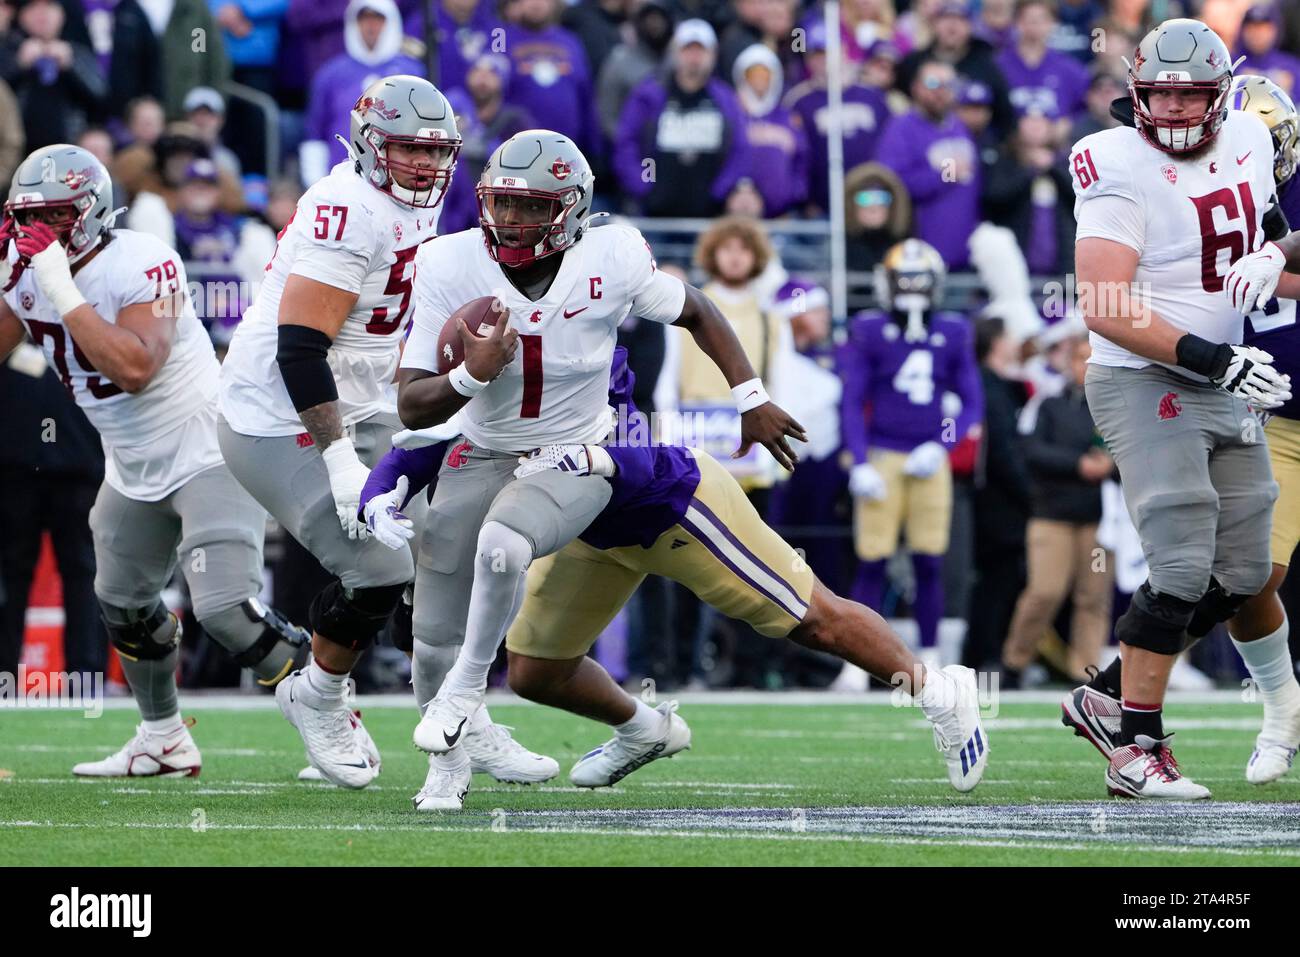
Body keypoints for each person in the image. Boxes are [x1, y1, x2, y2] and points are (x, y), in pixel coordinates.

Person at [366, 348, 990, 799]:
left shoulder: (581, 379)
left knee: (813, 621)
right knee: (534, 670)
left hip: (671, 509)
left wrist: (589, 455)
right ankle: (645, 730)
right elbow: (419, 445)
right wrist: (377, 493)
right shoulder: (491, 390)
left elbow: (636, 454)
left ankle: (939, 693)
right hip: (592, 536)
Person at [394, 129, 806, 809]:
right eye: (502, 202)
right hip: (484, 447)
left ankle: (467, 694)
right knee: (433, 629)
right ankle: (454, 758)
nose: (512, 220)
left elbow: (697, 309)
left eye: (532, 208)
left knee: (504, 546)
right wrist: (470, 374)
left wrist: (750, 396)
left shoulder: (610, 255)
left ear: (572, 209)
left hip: (574, 452)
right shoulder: (448, 261)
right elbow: (411, 404)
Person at [219, 76, 554, 790]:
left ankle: (462, 716)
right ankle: (316, 693)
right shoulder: (348, 207)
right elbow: (300, 350)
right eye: (407, 149)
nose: (426, 167)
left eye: (435, 152)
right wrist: (341, 461)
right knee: (380, 567)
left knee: (453, 548)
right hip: (279, 415)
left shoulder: (414, 205)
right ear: (371, 142)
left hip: (367, 401)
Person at [0, 145, 319, 778]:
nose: (42, 234)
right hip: (130, 461)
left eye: (57, 218)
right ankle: (164, 737)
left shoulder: (147, 259)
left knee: (225, 610)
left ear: (92, 214)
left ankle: (334, 711)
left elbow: (137, 368)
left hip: (205, 445)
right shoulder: (20, 265)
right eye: (30, 218)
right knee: (123, 604)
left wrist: (60, 288)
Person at [1062, 19, 1293, 799]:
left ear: (1222, 97)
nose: (1173, 110)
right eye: (1159, 93)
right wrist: (1215, 356)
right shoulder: (1114, 163)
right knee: (1184, 562)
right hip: (1146, 376)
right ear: (1136, 91)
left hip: (1224, 376)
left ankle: (1105, 694)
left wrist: (1274, 253)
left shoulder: (1251, 143)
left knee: (1245, 569)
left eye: (1191, 94)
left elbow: (1264, 234)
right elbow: (1100, 301)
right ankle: (1137, 747)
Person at [841, 239, 983, 663]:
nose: (912, 288)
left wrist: (942, 446)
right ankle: (857, 662)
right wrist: (860, 460)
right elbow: (851, 400)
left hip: (928, 461)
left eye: (920, 280)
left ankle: (931, 654)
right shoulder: (869, 330)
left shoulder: (953, 332)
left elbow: (973, 403)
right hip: (883, 455)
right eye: (904, 279)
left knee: (928, 562)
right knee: (871, 561)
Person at [1002, 335, 1113, 685]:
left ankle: (1085, 670)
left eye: (1092, 359)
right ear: (1068, 362)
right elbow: (1032, 451)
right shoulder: (1048, 404)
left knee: (1093, 596)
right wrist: (1078, 464)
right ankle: (1014, 661)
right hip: (1052, 515)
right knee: (1044, 592)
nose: (1085, 366)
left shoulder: (1115, 405)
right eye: (1080, 358)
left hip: (1100, 519)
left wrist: (1111, 465)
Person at [614, 19, 750, 217]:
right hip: (654, 215)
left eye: (701, 50)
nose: (694, 58)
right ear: (675, 52)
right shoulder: (649, 95)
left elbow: (740, 148)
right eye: (688, 49)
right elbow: (627, 143)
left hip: (709, 215)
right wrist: (644, 187)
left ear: (713, 55)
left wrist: (719, 192)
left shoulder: (725, 99)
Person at [299, 0, 424, 187]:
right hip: (341, 183)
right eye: (364, 19)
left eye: (378, 19)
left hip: (398, 183)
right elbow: (315, 134)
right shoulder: (330, 74)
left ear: (391, 22)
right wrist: (316, 183)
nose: (370, 26)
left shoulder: (413, 74)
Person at [877, 57, 980, 269]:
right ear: (915, 87)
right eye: (932, 83)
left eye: (948, 85)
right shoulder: (900, 128)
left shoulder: (959, 126)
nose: (940, 91)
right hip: (922, 255)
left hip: (966, 252)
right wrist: (945, 174)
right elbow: (891, 183)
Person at [782, 19, 890, 214]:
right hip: (821, 204)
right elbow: (797, 155)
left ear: (843, 50)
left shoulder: (872, 95)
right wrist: (805, 199)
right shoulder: (799, 100)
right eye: (816, 53)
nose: (823, 59)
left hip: (869, 200)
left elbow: (888, 144)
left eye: (828, 51)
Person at [501, 0, 599, 161]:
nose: (536, 4)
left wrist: (594, 146)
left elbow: (585, 95)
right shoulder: (502, 40)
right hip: (516, 152)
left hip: (567, 153)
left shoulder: (570, 41)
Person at [0, 0, 104, 150]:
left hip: (71, 150)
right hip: (17, 150)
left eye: (49, 5)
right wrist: (18, 65)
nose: (42, 13)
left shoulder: (77, 51)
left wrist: (71, 67)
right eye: (33, 6)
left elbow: (101, 97)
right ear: (21, 15)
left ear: (62, 14)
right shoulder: (8, 50)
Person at [731, 43, 809, 218]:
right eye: (753, 74)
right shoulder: (732, 115)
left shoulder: (788, 118)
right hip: (736, 213)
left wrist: (795, 195)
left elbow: (802, 159)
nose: (759, 80)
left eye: (764, 74)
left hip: (782, 215)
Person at [997, 0, 1089, 125]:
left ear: (1053, 24)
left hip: (1058, 142)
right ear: (1016, 22)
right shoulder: (998, 65)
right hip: (1008, 141)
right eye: (1029, 18)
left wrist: (1067, 126)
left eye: (1042, 19)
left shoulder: (1070, 69)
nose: (1035, 24)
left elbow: (1085, 109)